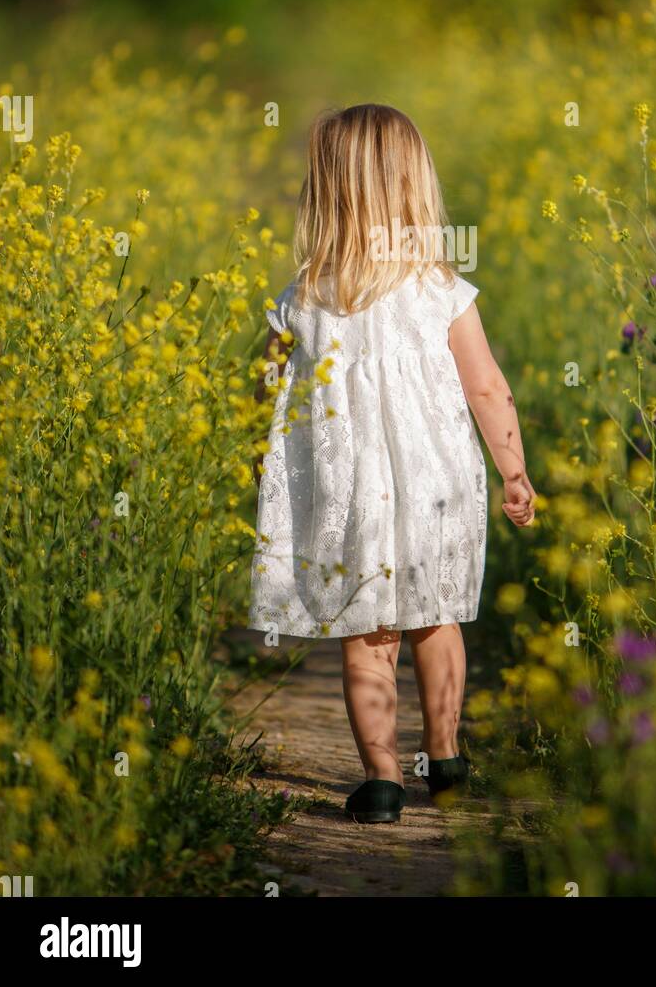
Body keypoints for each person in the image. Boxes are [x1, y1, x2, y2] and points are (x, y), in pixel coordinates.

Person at [249, 103, 535, 823]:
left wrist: (267, 458)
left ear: (326, 193)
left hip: (349, 493)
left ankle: (381, 781)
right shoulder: (442, 289)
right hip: (437, 486)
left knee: (366, 634)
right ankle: (445, 757)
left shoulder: (303, 298)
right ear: (415, 188)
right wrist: (514, 472)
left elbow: (265, 395)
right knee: (436, 620)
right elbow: (488, 388)